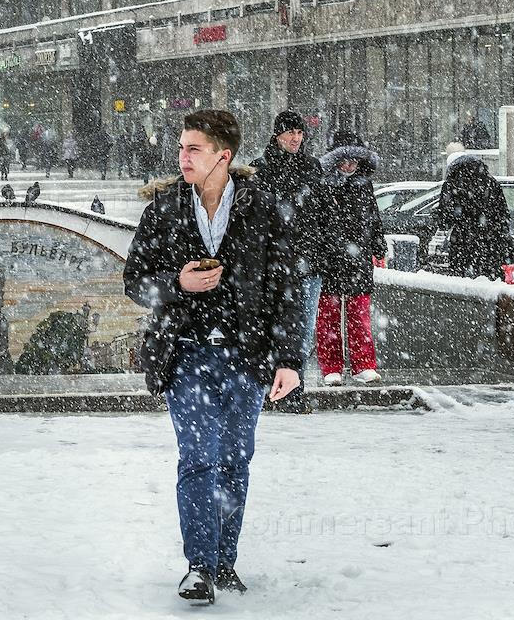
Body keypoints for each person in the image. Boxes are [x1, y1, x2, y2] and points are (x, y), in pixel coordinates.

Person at [123, 109, 304, 606]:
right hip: (185, 355)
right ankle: (199, 566)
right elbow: (134, 280)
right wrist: (174, 284)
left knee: (235, 461)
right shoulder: (163, 209)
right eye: (181, 148)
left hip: (246, 357)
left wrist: (290, 360)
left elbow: (288, 289)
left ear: (223, 155)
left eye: (194, 149)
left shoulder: (263, 209)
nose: (182, 157)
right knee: (198, 459)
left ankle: (226, 563)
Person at [250, 110, 329, 413]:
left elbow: (322, 214)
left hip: (307, 261)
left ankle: (293, 388)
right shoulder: (263, 170)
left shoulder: (311, 168)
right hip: (275, 264)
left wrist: (322, 251)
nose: (296, 138)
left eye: (299, 132)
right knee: (275, 326)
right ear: (277, 135)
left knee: (304, 329)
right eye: (290, 132)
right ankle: (275, 388)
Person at [316, 131, 386, 386]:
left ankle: (363, 364)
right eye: (345, 160)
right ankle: (331, 367)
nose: (350, 165)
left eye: (355, 160)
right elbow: (316, 222)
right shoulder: (322, 184)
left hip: (358, 260)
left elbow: (373, 218)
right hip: (330, 259)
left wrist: (378, 246)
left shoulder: (363, 184)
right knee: (328, 317)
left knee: (359, 315)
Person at [433, 154, 514, 280]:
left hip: (463, 242)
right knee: (490, 282)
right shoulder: (491, 183)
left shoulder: (452, 185)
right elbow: (503, 214)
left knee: (462, 283)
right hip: (490, 243)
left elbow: (444, 219)